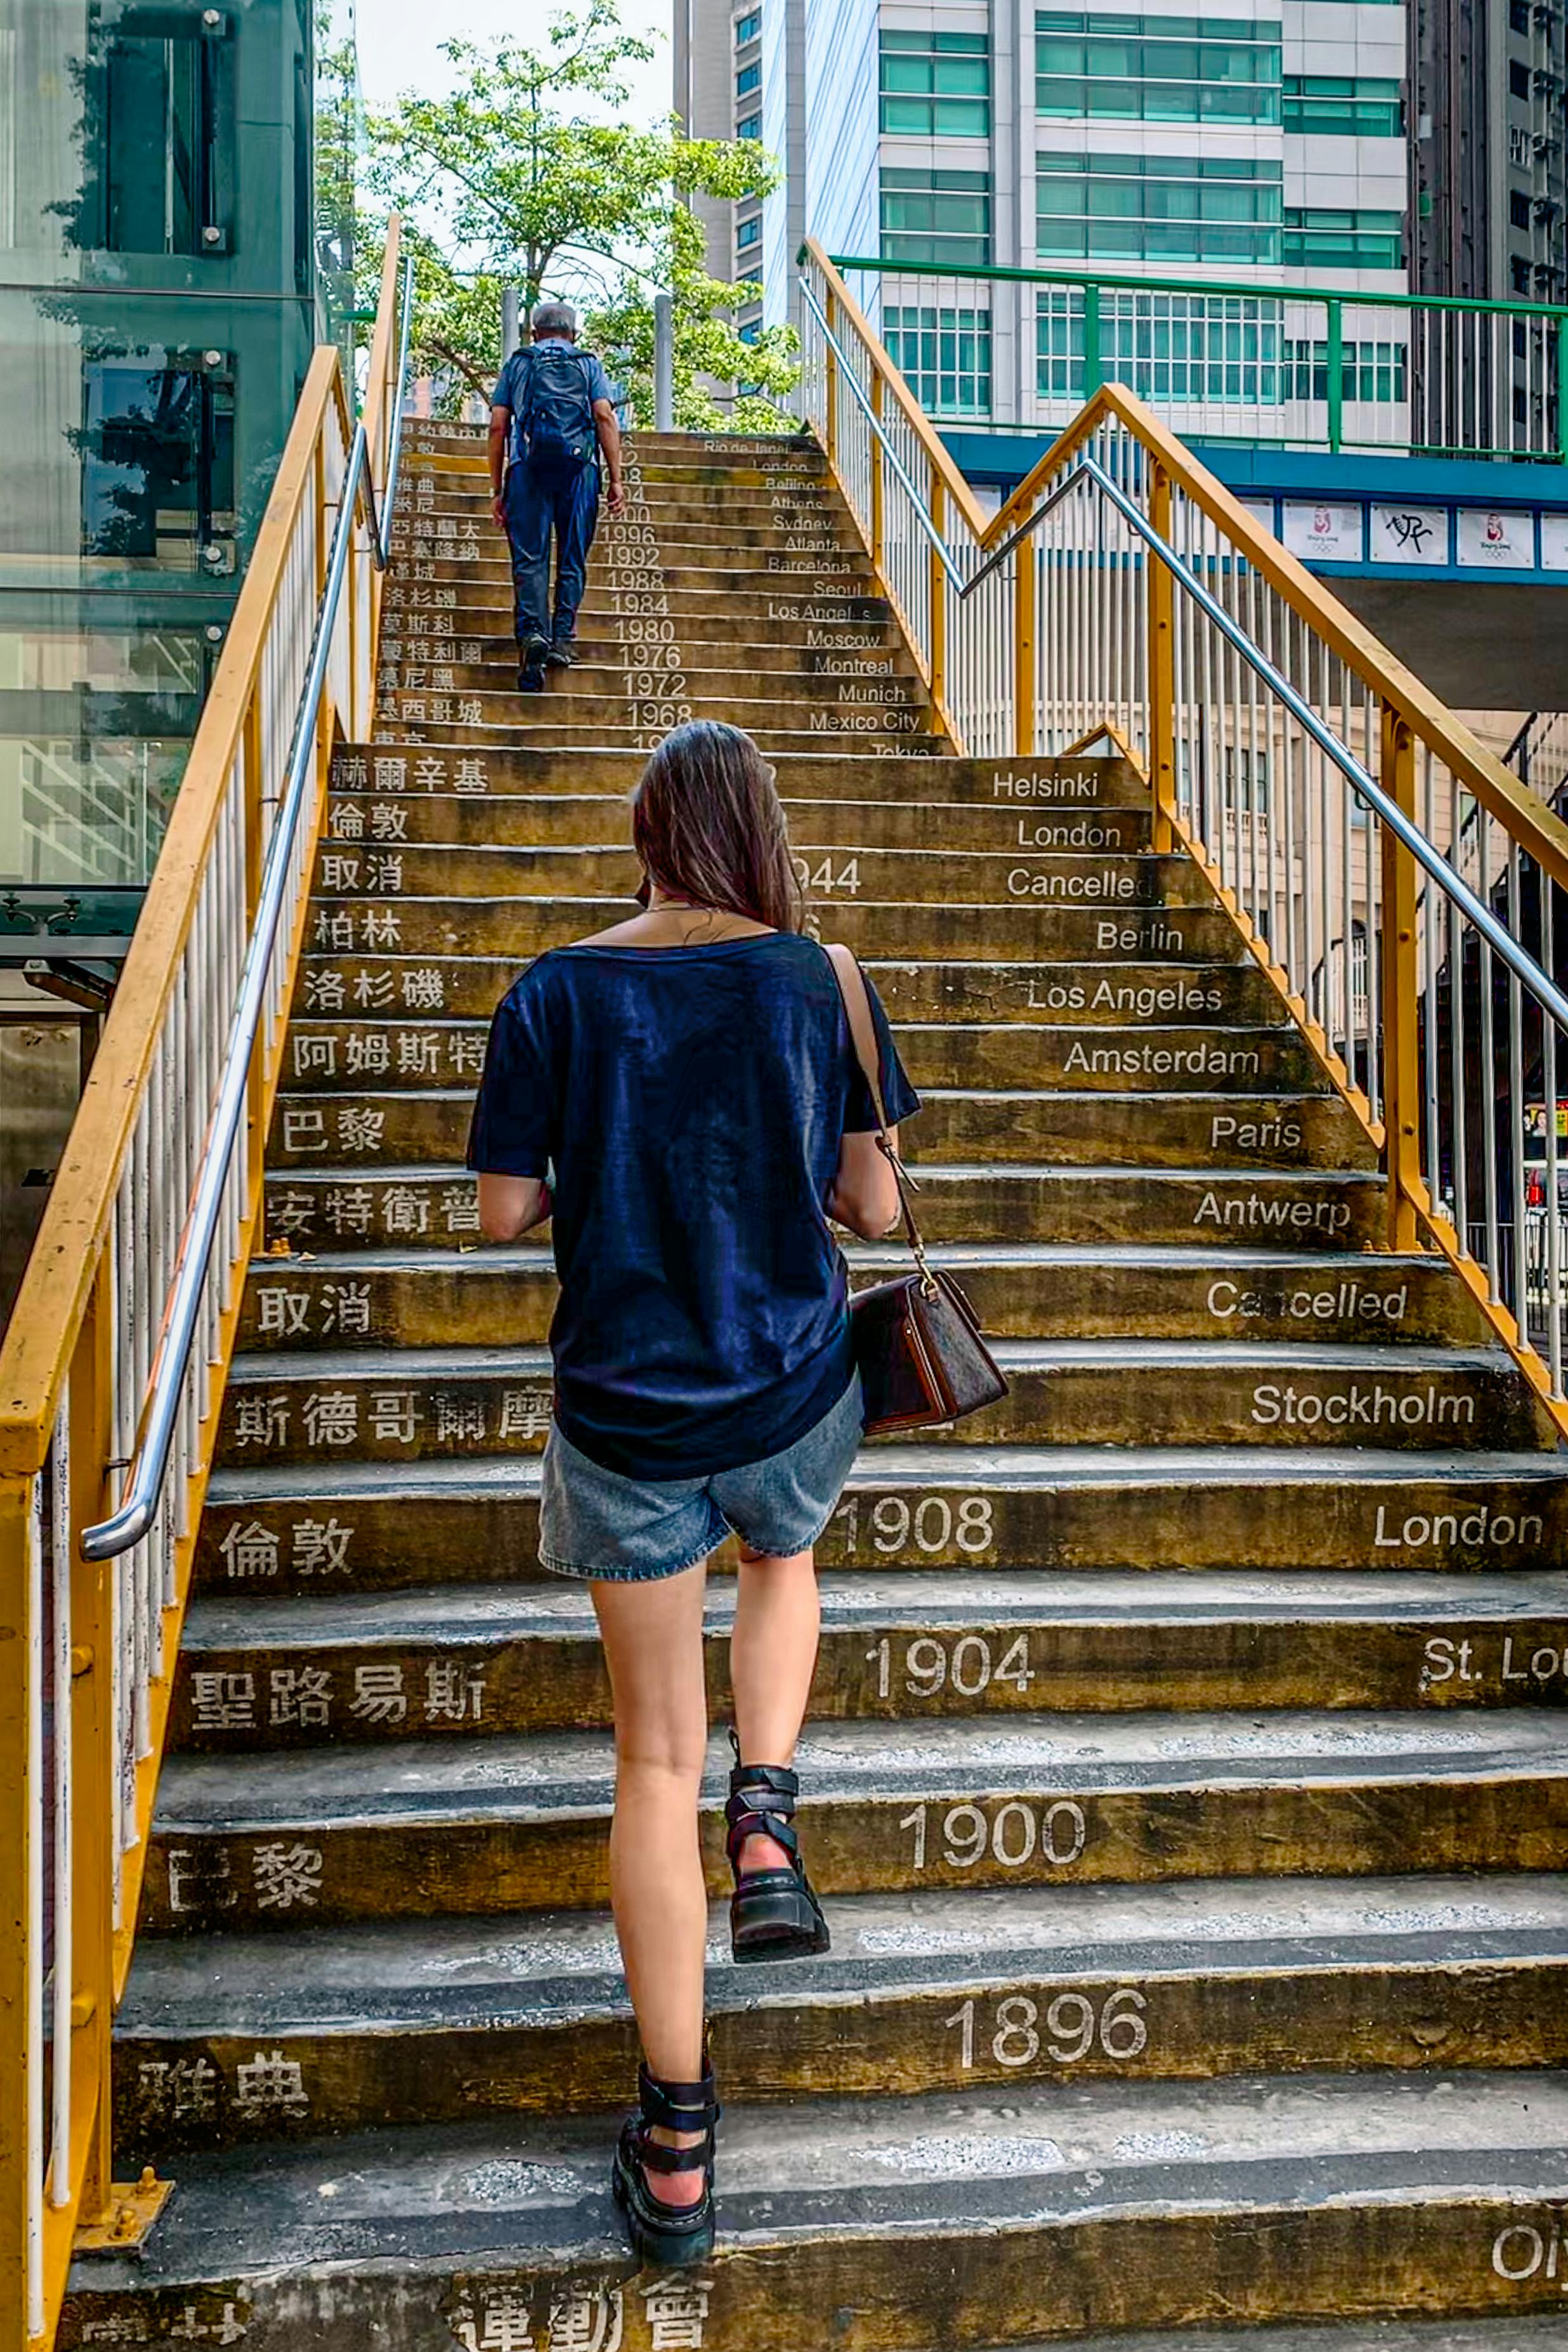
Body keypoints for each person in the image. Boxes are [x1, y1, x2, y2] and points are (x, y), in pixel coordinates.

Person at [466, 719, 919, 2268]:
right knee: (785, 1553)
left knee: (652, 1758)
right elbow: (873, 1198)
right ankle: (775, 1817)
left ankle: (674, 2143)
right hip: (791, 1381)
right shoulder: (824, 977)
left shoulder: (556, 990)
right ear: (758, 832)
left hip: (624, 1406)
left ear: (649, 830)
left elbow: (503, 1206)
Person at [488, 299, 626, 693]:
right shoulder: (587, 363)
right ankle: (562, 638)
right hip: (579, 471)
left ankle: (533, 633)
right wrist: (615, 479)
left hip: (526, 470)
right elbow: (604, 416)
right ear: (574, 333)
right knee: (572, 555)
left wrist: (498, 488)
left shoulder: (519, 363)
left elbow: (498, 426)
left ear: (535, 334)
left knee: (530, 558)